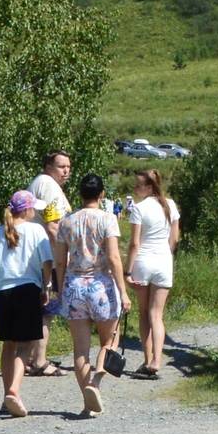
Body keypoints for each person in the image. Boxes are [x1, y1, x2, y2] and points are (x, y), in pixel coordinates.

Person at [56, 173, 130, 416]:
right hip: (101, 286)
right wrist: (123, 292)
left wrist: (60, 288)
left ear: (80, 194)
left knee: (80, 350)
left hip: (74, 286)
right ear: (102, 194)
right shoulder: (108, 219)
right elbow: (114, 257)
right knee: (109, 341)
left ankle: (88, 404)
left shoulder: (66, 222)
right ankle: (96, 382)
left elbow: (60, 260)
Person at [0, 189, 60, 418]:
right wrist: (46, 286)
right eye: (33, 208)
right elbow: (47, 262)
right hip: (27, 290)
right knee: (26, 345)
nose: (35, 212)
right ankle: (14, 391)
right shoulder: (36, 230)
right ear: (26, 210)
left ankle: (7, 396)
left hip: (2, 293)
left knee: (9, 345)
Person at [123, 170, 180, 378]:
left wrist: (127, 271)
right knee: (157, 315)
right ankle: (157, 360)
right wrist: (166, 254)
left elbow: (134, 243)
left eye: (138, 185)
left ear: (149, 187)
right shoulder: (170, 205)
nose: (135, 188)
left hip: (143, 261)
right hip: (163, 261)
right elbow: (174, 238)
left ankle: (148, 360)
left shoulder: (139, 209)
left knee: (144, 313)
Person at [26, 151, 74, 375]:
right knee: (47, 310)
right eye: (61, 166)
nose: (66, 171)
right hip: (48, 258)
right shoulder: (48, 185)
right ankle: (39, 361)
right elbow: (54, 226)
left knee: (40, 309)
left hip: (36, 257)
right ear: (48, 166)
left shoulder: (42, 183)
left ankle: (31, 357)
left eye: (68, 167)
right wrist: (67, 257)